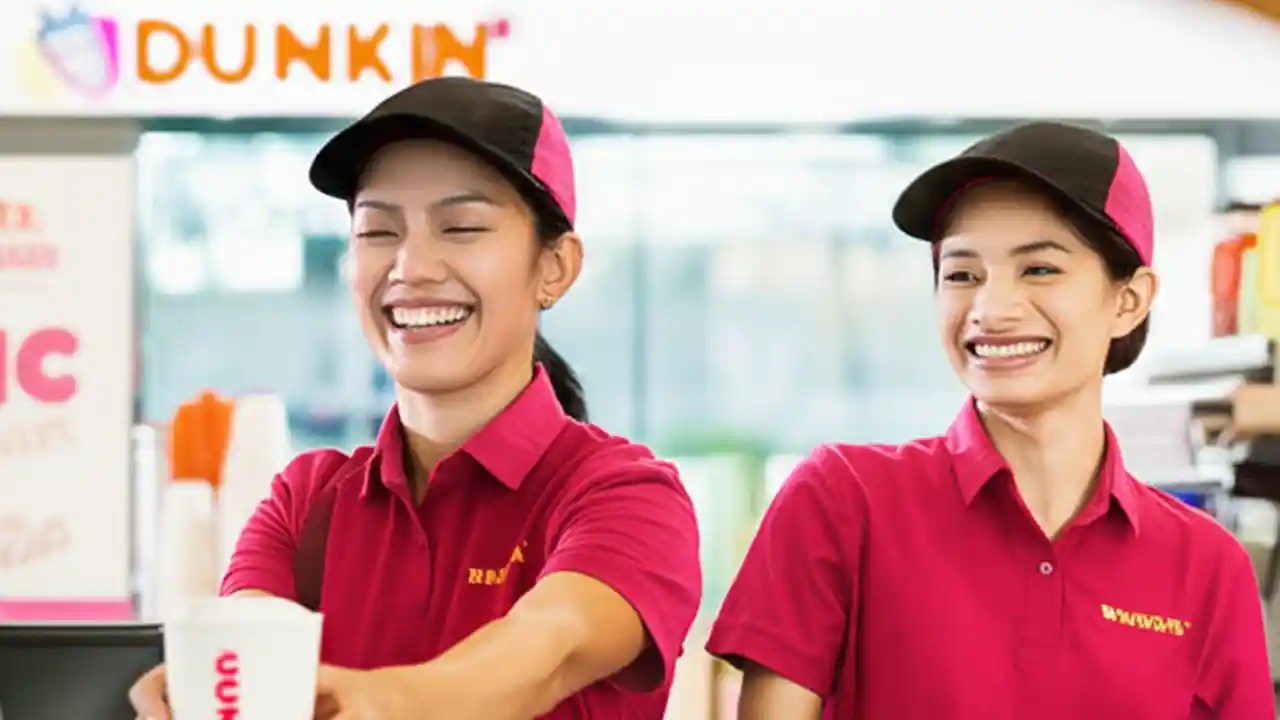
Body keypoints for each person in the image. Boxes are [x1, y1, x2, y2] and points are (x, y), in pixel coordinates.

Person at [130, 77, 702, 719]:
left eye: (460, 226)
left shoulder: (623, 497)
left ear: (555, 267)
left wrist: (376, 700)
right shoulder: (307, 501)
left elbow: (549, 649)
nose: (411, 266)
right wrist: (203, 689)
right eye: (378, 231)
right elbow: (253, 662)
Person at [706, 121, 1274, 719]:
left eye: (1040, 270)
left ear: (1128, 300)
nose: (991, 309)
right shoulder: (843, 501)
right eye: (961, 274)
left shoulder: (1207, 568)